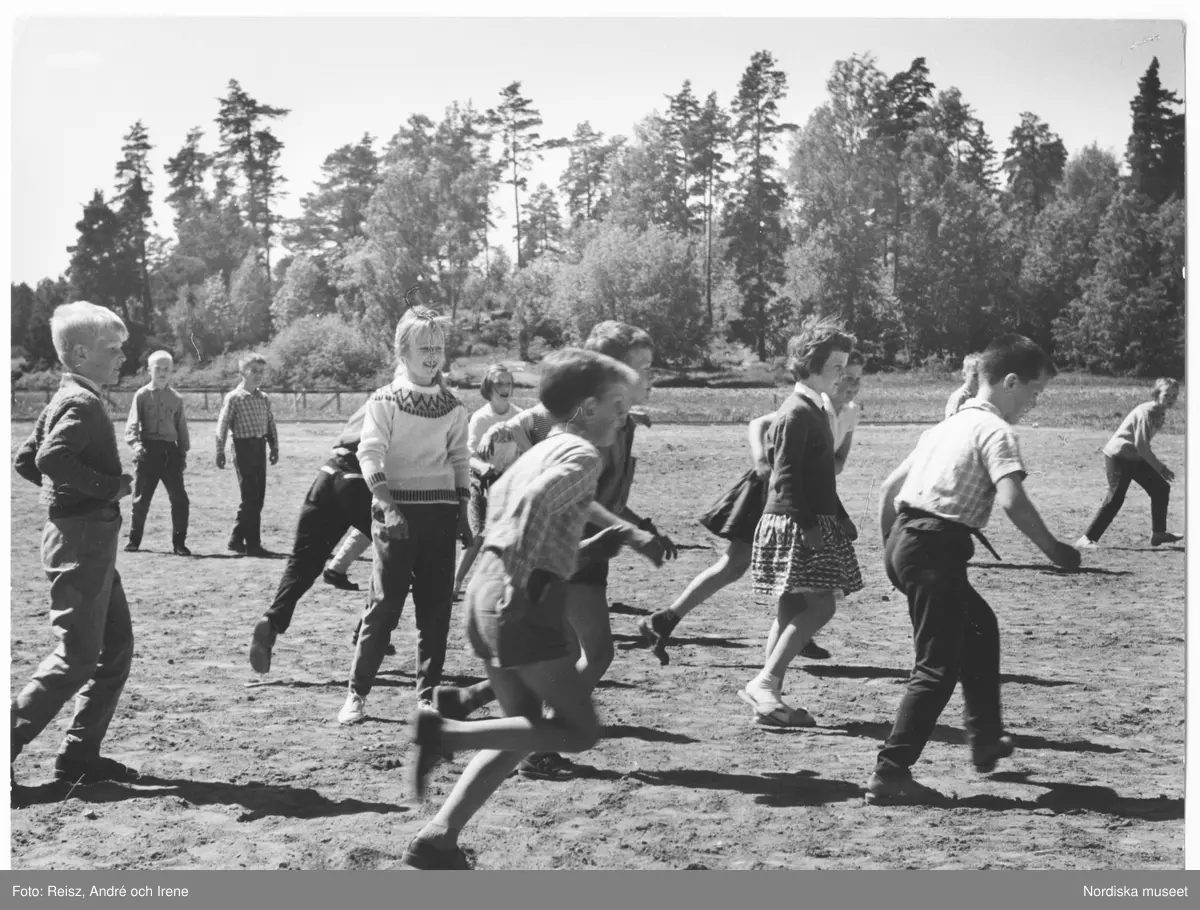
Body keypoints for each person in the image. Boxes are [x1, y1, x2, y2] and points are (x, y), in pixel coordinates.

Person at [401, 348, 641, 870]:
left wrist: (598, 544)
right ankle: (443, 733)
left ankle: (438, 837)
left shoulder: (539, 449)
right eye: (617, 405)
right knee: (578, 732)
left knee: (522, 727)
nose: (625, 416)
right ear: (584, 407)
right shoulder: (583, 457)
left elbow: (531, 507)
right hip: (518, 599)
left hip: (485, 594)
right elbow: (537, 506)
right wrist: (531, 573)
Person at [431, 321, 676, 779]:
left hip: (569, 551)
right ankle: (538, 737)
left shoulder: (615, 419)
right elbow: (528, 438)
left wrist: (633, 527)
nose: (650, 376)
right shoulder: (592, 425)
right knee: (594, 653)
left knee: (550, 655)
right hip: (566, 552)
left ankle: (473, 705)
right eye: (642, 367)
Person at [867, 334, 1081, 806]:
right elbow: (1012, 500)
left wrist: (894, 554)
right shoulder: (996, 431)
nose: (1032, 401)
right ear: (1009, 382)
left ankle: (985, 737)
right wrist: (1054, 549)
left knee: (979, 628)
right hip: (933, 548)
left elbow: (887, 490)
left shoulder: (944, 427)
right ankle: (891, 773)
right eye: (1034, 391)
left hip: (907, 540)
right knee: (937, 665)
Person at [638, 352, 867, 666]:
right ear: (829, 374)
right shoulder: (811, 406)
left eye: (856, 377)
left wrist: (821, 467)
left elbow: (836, 463)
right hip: (775, 491)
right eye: (844, 374)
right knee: (734, 565)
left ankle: (794, 637)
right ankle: (666, 620)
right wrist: (762, 460)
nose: (850, 384)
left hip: (806, 492)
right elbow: (759, 424)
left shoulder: (848, 412)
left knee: (769, 571)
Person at [11, 301, 140, 787]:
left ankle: (79, 756)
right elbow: (50, 458)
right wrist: (107, 489)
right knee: (77, 657)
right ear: (82, 353)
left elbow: (28, 460)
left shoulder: (68, 395)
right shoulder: (82, 404)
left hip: (86, 539)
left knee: (116, 646)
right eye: (114, 349)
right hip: (83, 541)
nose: (122, 358)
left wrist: (65, 498)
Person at [337, 306, 472, 724]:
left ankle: (427, 698)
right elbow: (369, 452)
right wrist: (387, 506)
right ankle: (357, 695)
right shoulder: (384, 401)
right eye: (423, 348)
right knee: (384, 608)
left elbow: (459, 459)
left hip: (441, 517)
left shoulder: (454, 405)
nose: (432, 356)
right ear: (403, 351)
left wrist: (464, 515)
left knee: (435, 612)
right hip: (395, 518)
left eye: (437, 347)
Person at [737, 316, 862, 728]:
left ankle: (768, 700)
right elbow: (785, 475)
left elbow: (819, 475)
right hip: (795, 522)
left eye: (846, 366)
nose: (843, 375)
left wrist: (839, 516)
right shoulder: (796, 411)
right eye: (836, 366)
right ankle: (766, 683)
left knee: (791, 609)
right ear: (810, 364)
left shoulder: (816, 407)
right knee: (821, 605)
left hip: (807, 517)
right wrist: (810, 526)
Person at [249, 404, 374, 673]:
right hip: (361, 479)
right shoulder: (411, 398)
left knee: (304, 561)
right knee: (400, 557)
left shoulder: (376, 398)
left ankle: (272, 619)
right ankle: (370, 630)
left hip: (328, 473)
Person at [1075, 378, 1183, 550]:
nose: (1171, 399)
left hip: (1135, 458)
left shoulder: (1160, 412)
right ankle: (1086, 538)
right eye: (1166, 394)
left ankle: (1159, 533)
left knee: (1161, 488)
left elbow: (1141, 447)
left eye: (1175, 396)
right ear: (1156, 394)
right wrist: (1160, 468)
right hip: (1118, 457)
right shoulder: (1146, 412)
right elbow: (1141, 446)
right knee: (1116, 497)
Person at [453, 364, 524, 599]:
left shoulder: (519, 415)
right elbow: (468, 455)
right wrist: (484, 467)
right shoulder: (481, 418)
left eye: (508, 383)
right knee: (478, 534)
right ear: (489, 387)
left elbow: (528, 451)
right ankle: (455, 582)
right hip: (481, 481)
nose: (505, 388)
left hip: (510, 482)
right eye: (500, 383)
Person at [123, 350, 192, 556]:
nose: (162, 373)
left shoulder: (176, 398)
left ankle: (179, 543)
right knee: (141, 499)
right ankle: (134, 540)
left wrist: (182, 454)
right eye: (158, 369)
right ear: (149, 370)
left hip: (170, 453)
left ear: (171, 372)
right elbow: (132, 426)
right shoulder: (142, 396)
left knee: (180, 500)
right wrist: (136, 446)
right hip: (147, 451)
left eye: (166, 369)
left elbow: (182, 428)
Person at [215, 353, 279, 557]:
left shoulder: (264, 398)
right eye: (254, 371)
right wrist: (220, 450)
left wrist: (274, 446)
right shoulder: (234, 398)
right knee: (249, 496)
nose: (258, 375)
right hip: (242, 448)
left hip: (260, 447)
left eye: (261, 371)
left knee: (257, 498)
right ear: (243, 372)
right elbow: (223, 425)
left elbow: (270, 423)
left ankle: (236, 540)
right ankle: (253, 544)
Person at [945, 353, 981, 419]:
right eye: (975, 376)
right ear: (964, 375)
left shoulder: (980, 396)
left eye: (982, 375)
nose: (979, 379)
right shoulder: (959, 398)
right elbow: (951, 423)